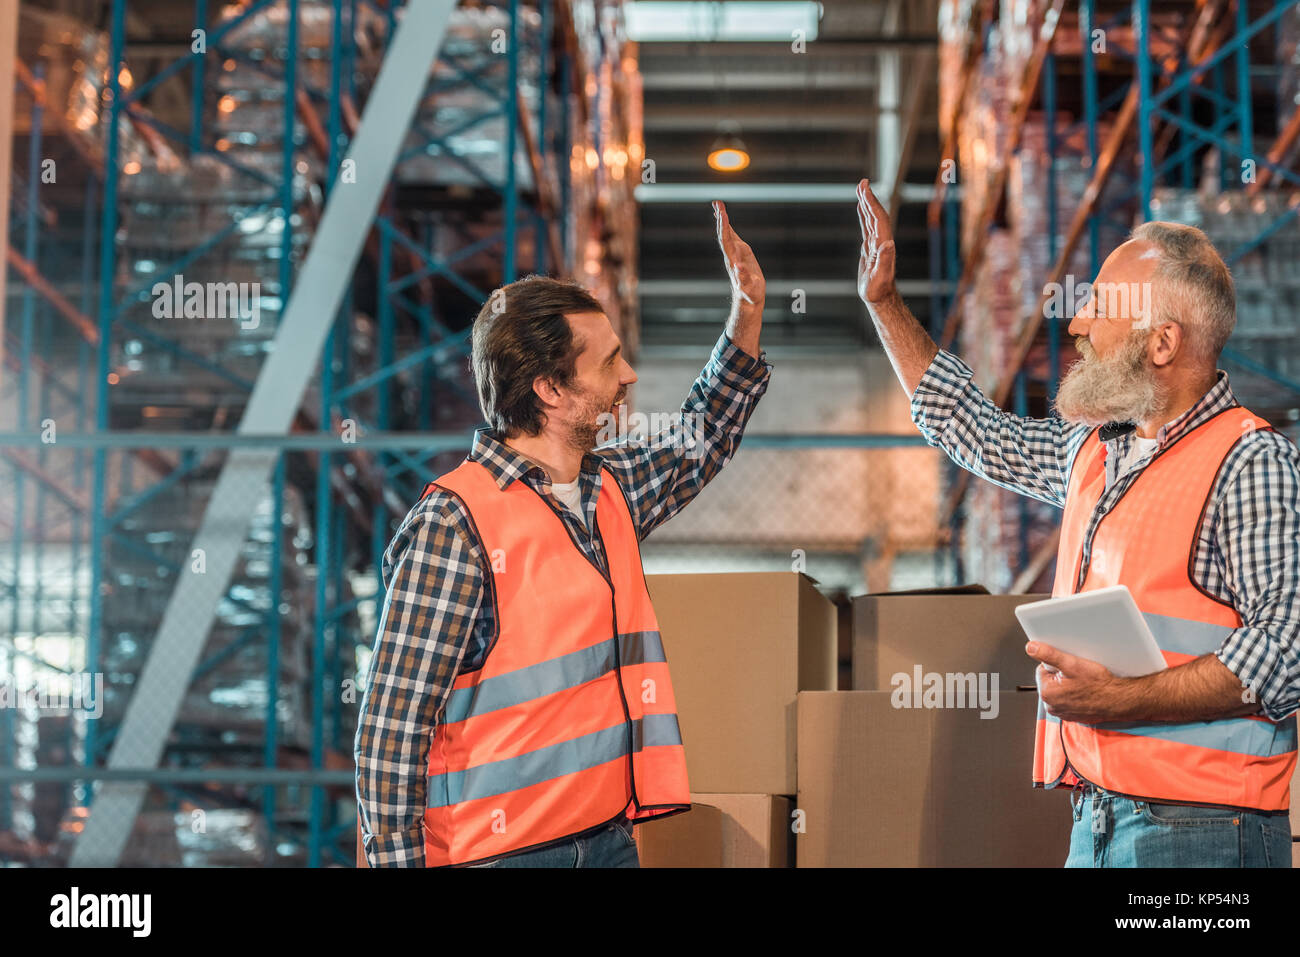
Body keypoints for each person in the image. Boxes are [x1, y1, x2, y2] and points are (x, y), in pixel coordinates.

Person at [855, 178, 1300, 868]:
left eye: (1099, 307)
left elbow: (1287, 650)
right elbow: (973, 429)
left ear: (1161, 344)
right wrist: (884, 306)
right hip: (1099, 819)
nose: (1078, 325)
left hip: (1206, 833)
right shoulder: (1098, 452)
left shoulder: (1250, 460)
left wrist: (1125, 699)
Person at [354, 201, 770, 867]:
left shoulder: (610, 491)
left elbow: (704, 437)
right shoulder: (455, 521)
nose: (628, 376)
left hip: (606, 839)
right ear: (550, 387)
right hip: (501, 856)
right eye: (609, 363)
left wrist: (746, 312)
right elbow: (390, 731)